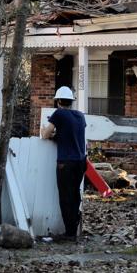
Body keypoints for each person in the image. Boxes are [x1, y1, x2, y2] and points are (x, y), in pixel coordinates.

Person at [40, 86, 87, 241]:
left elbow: (46, 135)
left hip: (66, 162)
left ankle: (70, 233)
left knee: (65, 197)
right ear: (71, 102)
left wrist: (44, 131)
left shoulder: (59, 113)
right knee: (74, 195)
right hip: (81, 161)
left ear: (59, 101)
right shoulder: (80, 116)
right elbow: (71, 135)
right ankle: (74, 227)